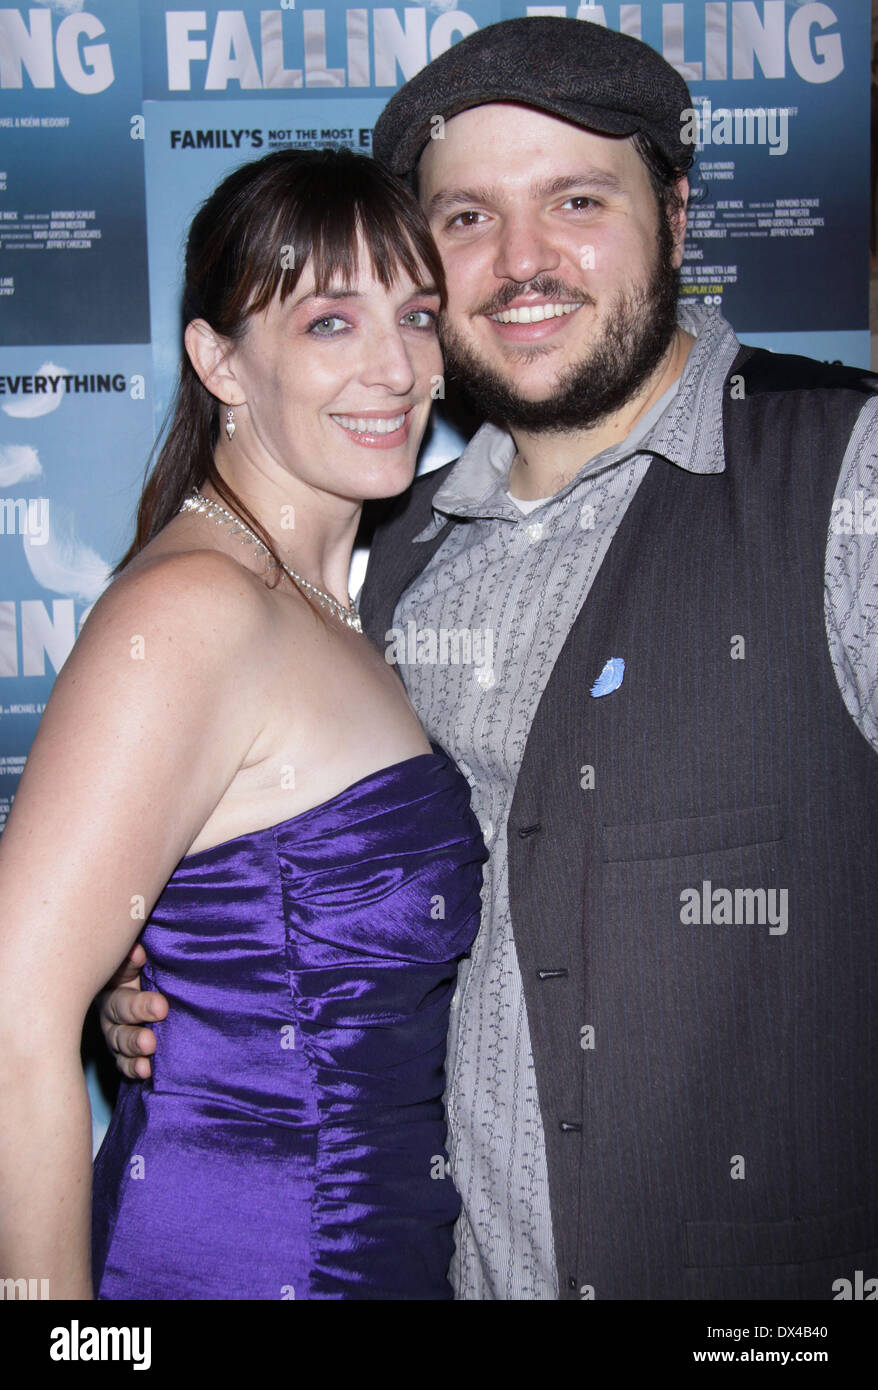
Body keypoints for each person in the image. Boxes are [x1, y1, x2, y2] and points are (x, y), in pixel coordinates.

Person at [102, 19, 878, 1300]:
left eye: (575, 200)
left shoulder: (840, 476)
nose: (521, 262)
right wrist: (169, 988)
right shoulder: (383, 559)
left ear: (674, 219)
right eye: (465, 219)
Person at [0, 146, 486, 1301]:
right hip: (238, 1265)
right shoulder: (198, 607)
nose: (395, 367)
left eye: (416, 316)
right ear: (219, 359)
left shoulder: (325, 599)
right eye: (328, 323)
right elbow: (13, 1016)